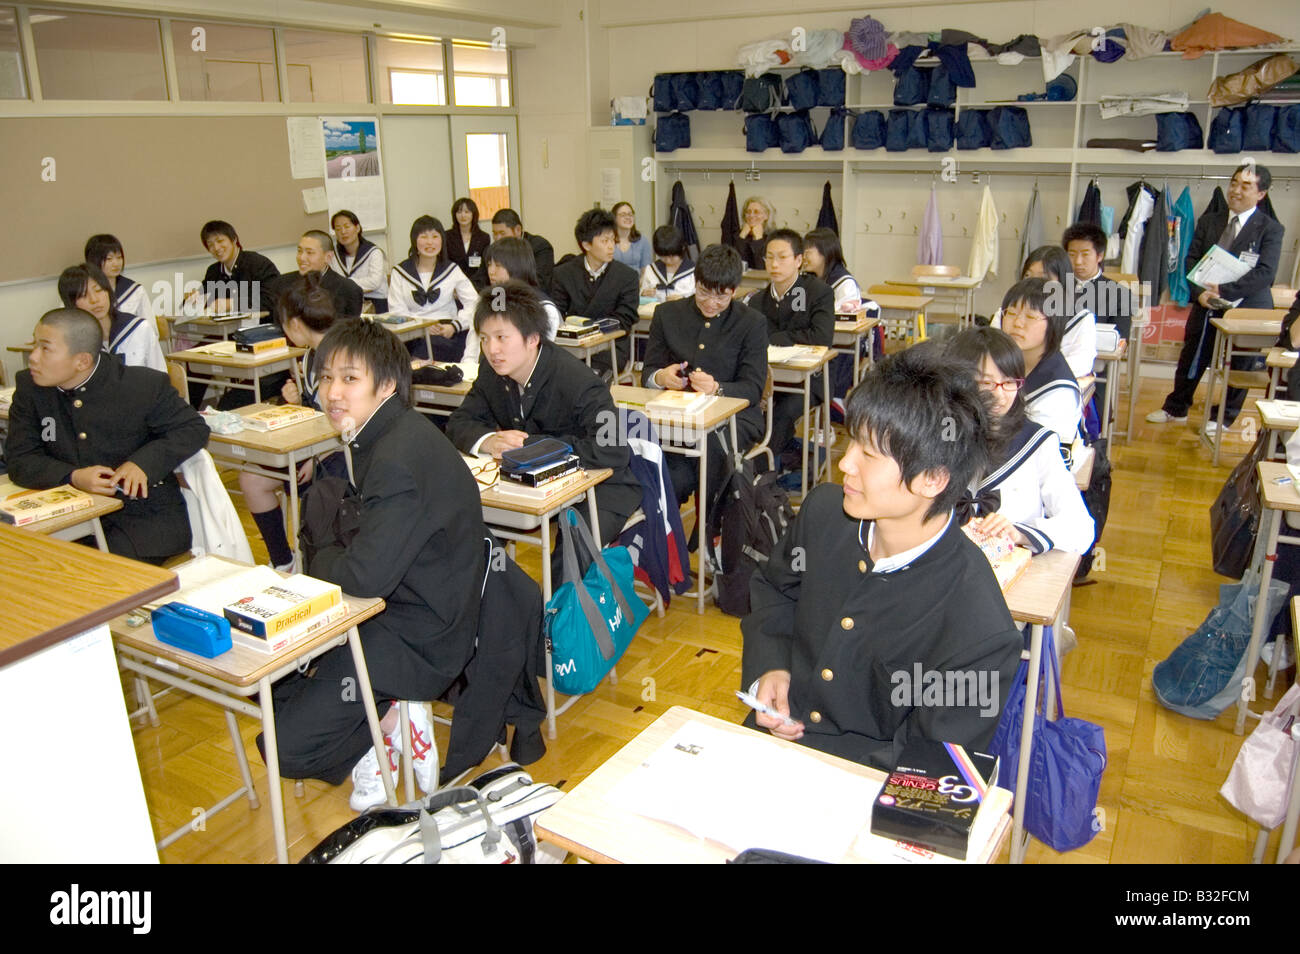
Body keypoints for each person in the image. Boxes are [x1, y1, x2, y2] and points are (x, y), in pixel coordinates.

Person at [740, 341, 1022, 770]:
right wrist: (772, 668)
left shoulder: (978, 624)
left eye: (868, 454)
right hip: (773, 740)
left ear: (932, 479)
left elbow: (926, 765)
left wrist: (813, 772)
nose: (845, 463)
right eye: (852, 441)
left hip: (863, 794)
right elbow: (775, 590)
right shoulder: (824, 514)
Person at [263, 319, 488, 809]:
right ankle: (384, 716)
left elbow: (366, 577)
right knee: (272, 682)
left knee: (284, 747)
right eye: (324, 378)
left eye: (349, 378)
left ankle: (391, 711)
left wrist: (314, 562)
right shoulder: (388, 431)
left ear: (386, 384)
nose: (332, 393)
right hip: (405, 599)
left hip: (420, 630)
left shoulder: (395, 454)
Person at [447, 281, 642, 552]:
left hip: (600, 487)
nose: (492, 350)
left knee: (572, 552)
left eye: (502, 338)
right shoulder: (492, 374)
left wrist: (535, 449)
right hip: (529, 487)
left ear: (532, 338)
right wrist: (490, 441)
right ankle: (505, 593)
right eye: (484, 338)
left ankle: (553, 597)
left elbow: (613, 449)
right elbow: (458, 422)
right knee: (470, 538)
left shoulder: (577, 380)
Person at [6, 308, 209, 563]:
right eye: (34, 344)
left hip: (140, 518)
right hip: (65, 514)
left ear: (82, 361)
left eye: (45, 349)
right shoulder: (30, 388)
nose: (33, 357)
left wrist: (143, 463)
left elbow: (193, 428)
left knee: (97, 577)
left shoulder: (140, 386)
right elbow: (20, 458)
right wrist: (73, 476)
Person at [1148, 163, 1284, 434]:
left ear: (1261, 194)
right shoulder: (1211, 220)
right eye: (1234, 183)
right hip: (1206, 303)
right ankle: (1176, 407)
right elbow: (1192, 259)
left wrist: (1224, 292)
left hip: (1247, 308)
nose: (1236, 190)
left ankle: (1223, 417)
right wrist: (1200, 294)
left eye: (1245, 186)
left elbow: (1265, 273)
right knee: (1192, 355)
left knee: (1242, 364)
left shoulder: (1270, 228)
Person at [947, 327, 1095, 555]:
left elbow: (1082, 529)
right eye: (985, 383)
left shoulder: (1036, 443)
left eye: (1008, 382)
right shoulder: (936, 436)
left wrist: (1020, 532)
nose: (999, 394)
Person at [641, 244, 768, 505]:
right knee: (662, 471)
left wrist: (717, 388)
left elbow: (753, 388)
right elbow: (648, 373)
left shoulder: (751, 322)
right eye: (704, 292)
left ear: (734, 290)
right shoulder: (667, 314)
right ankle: (666, 534)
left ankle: (710, 528)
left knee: (711, 450)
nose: (711, 303)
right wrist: (661, 377)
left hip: (735, 418)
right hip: (678, 418)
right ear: (695, 282)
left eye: (722, 296)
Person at [238, 275, 346, 571]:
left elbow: (357, 420)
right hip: (314, 448)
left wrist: (317, 454)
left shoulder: (341, 355)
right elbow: (319, 412)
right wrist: (297, 402)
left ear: (295, 324)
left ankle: (317, 561)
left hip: (344, 452)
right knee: (251, 478)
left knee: (315, 488)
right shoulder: (311, 355)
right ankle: (283, 560)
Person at [743, 227, 835, 465]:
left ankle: (756, 470)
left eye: (782, 257)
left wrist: (776, 337)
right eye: (769, 257)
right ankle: (751, 463)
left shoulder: (818, 292)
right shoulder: (756, 300)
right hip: (767, 377)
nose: (774, 264)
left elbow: (821, 336)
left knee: (782, 412)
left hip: (809, 378)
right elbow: (751, 340)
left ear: (798, 260)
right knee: (743, 405)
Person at [549, 207, 640, 379]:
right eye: (605, 241)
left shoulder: (627, 276)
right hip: (573, 346)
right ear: (586, 244)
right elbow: (556, 313)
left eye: (613, 240)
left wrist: (593, 332)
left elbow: (625, 317)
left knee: (587, 376)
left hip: (610, 345)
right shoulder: (563, 273)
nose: (611, 246)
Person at [387, 214, 480, 363]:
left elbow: (475, 303)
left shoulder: (452, 270)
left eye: (435, 236)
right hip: (412, 333)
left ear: (442, 240)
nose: (430, 242)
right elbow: (396, 310)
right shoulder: (400, 272)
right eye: (424, 237)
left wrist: (454, 326)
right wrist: (421, 327)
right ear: (414, 240)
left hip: (447, 332)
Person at [1002, 277, 1081, 447]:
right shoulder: (1001, 361)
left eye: (1030, 316)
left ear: (1053, 323)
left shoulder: (1059, 392)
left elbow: (1038, 452)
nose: (1017, 323)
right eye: (1011, 312)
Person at [57, 263, 166, 373]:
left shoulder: (139, 329)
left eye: (99, 290)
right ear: (71, 304)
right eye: (83, 295)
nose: (94, 300)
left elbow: (161, 376)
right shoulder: (72, 342)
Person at [1021, 244, 1096, 379]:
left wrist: (1035, 374)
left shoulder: (1081, 319)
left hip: (1054, 384)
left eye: (1044, 278)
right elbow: (995, 353)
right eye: (1028, 276)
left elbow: (1081, 363)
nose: (1033, 284)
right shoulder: (1010, 312)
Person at [195, 220, 281, 316]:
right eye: (210, 244)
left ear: (234, 239)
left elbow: (272, 300)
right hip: (225, 328)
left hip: (258, 326)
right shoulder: (213, 271)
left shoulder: (258, 264)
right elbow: (193, 303)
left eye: (220, 241)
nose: (216, 248)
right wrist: (193, 301)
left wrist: (231, 304)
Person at [483, 237, 563, 338]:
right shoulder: (494, 301)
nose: (491, 271)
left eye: (498, 265)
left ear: (517, 266)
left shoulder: (543, 308)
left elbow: (543, 351)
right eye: (489, 264)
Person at [272, 230, 363, 318]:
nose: (302, 258)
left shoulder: (348, 290)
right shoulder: (282, 284)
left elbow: (349, 330)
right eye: (299, 251)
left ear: (328, 257)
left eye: (309, 252)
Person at [84, 233, 154, 328]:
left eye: (119, 257)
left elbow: (150, 327)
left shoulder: (135, 290)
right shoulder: (82, 291)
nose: (116, 264)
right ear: (94, 260)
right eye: (109, 259)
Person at [329, 210, 388, 313]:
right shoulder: (334, 255)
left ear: (357, 228)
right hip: (346, 304)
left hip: (375, 304)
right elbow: (332, 282)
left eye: (347, 227)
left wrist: (345, 285)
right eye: (338, 229)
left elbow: (374, 283)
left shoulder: (374, 252)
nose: (343, 232)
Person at [491, 208, 554, 294]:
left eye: (502, 233)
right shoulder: (493, 250)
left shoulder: (540, 247)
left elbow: (540, 283)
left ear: (518, 230)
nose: (497, 239)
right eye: (495, 233)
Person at [640, 225, 695, 301]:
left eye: (672, 256)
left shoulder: (694, 272)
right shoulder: (651, 269)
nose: (668, 260)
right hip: (655, 311)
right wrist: (644, 294)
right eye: (663, 256)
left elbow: (700, 300)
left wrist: (684, 301)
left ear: (682, 249)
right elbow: (642, 296)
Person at [446, 197, 491, 289]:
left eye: (467, 212)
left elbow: (484, 268)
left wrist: (472, 285)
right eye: (459, 212)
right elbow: (445, 263)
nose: (463, 215)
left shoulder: (483, 237)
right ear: (454, 215)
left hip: (477, 286)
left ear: (473, 214)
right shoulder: (447, 236)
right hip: (453, 286)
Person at [735, 196, 775, 270]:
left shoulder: (773, 238)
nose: (751, 216)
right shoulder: (738, 235)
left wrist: (758, 239)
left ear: (766, 216)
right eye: (748, 212)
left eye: (756, 212)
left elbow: (763, 268)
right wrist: (742, 237)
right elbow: (734, 265)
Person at [611, 201, 652, 272]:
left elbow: (646, 270)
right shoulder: (608, 240)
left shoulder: (642, 240)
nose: (628, 217)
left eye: (630, 214)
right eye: (623, 215)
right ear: (614, 218)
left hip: (636, 281)